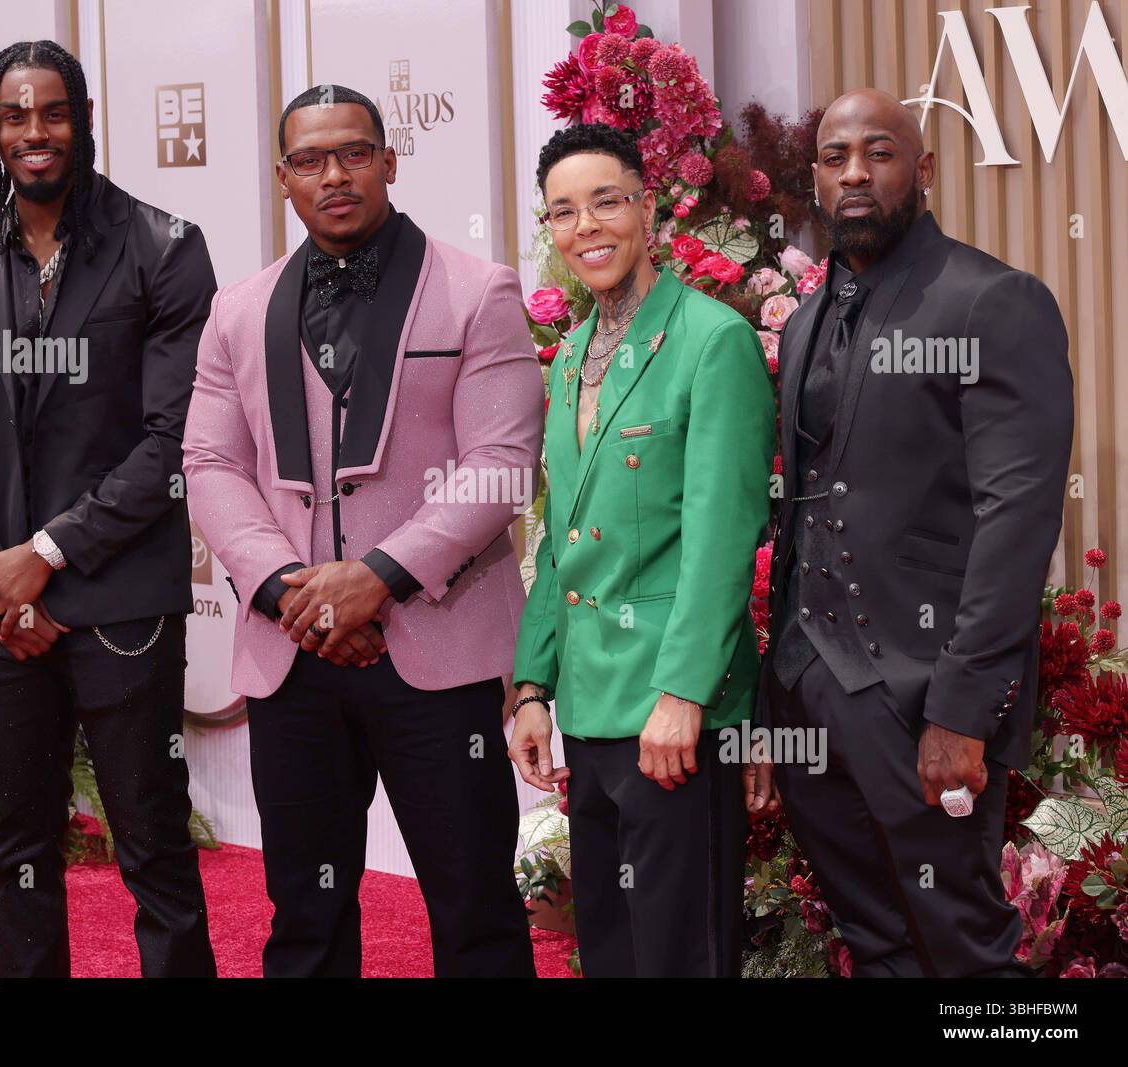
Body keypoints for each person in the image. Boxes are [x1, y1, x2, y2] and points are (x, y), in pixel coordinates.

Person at [181, 85, 542, 977]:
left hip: (437, 648)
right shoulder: (237, 309)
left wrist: (376, 575)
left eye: (353, 153)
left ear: (389, 159)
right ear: (283, 178)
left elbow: (500, 462)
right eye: (310, 159)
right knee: (304, 918)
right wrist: (286, 590)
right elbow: (210, 465)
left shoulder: (476, 290)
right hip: (292, 650)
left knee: (477, 915)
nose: (333, 175)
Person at [746, 88, 1074, 977]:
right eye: (835, 155)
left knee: (967, 948)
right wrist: (777, 695)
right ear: (814, 177)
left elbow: (1018, 520)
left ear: (922, 169)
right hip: (808, 687)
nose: (855, 171)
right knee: (876, 940)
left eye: (880, 152)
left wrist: (962, 712)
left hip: (923, 695)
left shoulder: (994, 301)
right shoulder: (807, 317)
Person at [0, 40, 217, 978]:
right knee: (19, 853)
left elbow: (171, 440)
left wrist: (46, 552)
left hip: (118, 597)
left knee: (153, 844)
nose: (34, 133)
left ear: (85, 118)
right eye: (14, 115)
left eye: (52, 113)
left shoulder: (163, 248)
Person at [508, 124, 775, 977]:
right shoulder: (571, 355)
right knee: (613, 954)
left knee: (680, 957)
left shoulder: (711, 341)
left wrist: (684, 694)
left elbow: (722, 540)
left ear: (648, 209)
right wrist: (531, 684)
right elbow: (561, 536)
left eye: (606, 202)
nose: (585, 226)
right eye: (563, 211)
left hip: (673, 715)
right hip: (587, 710)